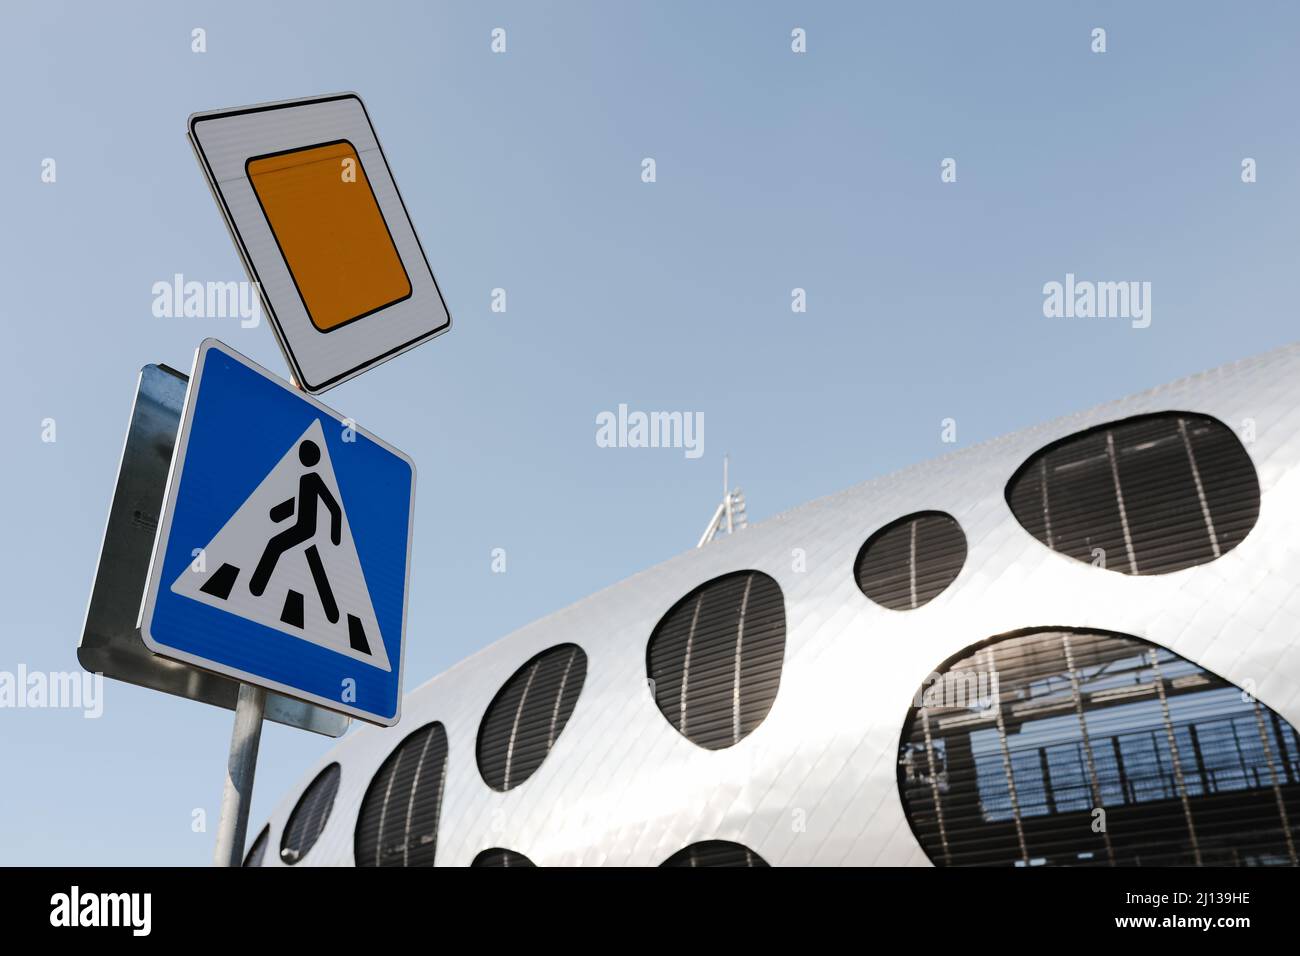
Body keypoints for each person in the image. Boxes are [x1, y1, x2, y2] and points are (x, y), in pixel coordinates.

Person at [248, 439, 341, 623]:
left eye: (303, 454)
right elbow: (299, 503)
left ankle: (256, 587)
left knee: (275, 545)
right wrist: (278, 513)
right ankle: (333, 614)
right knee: (316, 568)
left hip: (306, 529)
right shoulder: (305, 478)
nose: (301, 457)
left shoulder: (314, 478)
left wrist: (335, 535)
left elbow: (333, 507)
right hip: (305, 528)